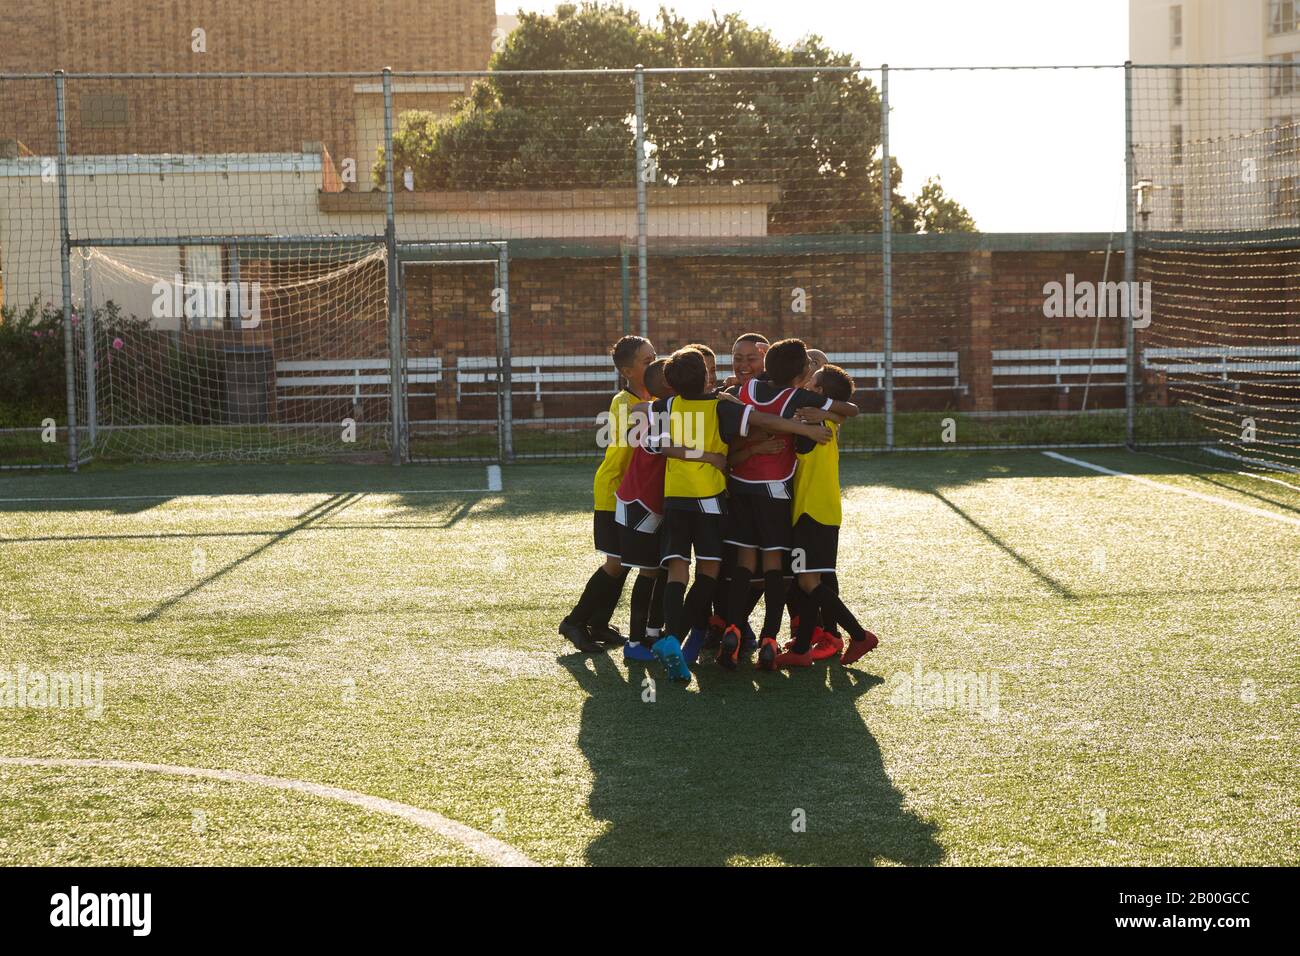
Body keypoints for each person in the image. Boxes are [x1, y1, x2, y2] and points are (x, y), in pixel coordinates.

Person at [644, 347, 831, 683]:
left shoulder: (663, 405)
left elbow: (657, 446)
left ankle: (674, 635)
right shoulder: (721, 406)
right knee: (710, 571)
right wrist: (802, 430)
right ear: (705, 376)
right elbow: (762, 420)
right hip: (710, 501)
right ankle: (694, 637)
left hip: (675, 499)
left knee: (677, 570)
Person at [776, 364, 880, 668]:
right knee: (808, 580)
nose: (807, 383)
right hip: (820, 511)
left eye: (813, 382)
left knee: (809, 582)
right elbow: (843, 413)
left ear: (819, 393)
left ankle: (860, 636)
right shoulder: (825, 420)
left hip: (812, 512)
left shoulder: (813, 425)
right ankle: (802, 649)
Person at [557, 335, 654, 654]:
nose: (655, 365)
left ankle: (598, 625)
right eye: (647, 361)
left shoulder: (654, 397)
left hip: (635, 494)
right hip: (614, 491)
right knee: (615, 563)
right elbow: (632, 442)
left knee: (625, 562)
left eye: (655, 357)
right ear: (627, 371)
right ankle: (574, 622)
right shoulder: (623, 403)